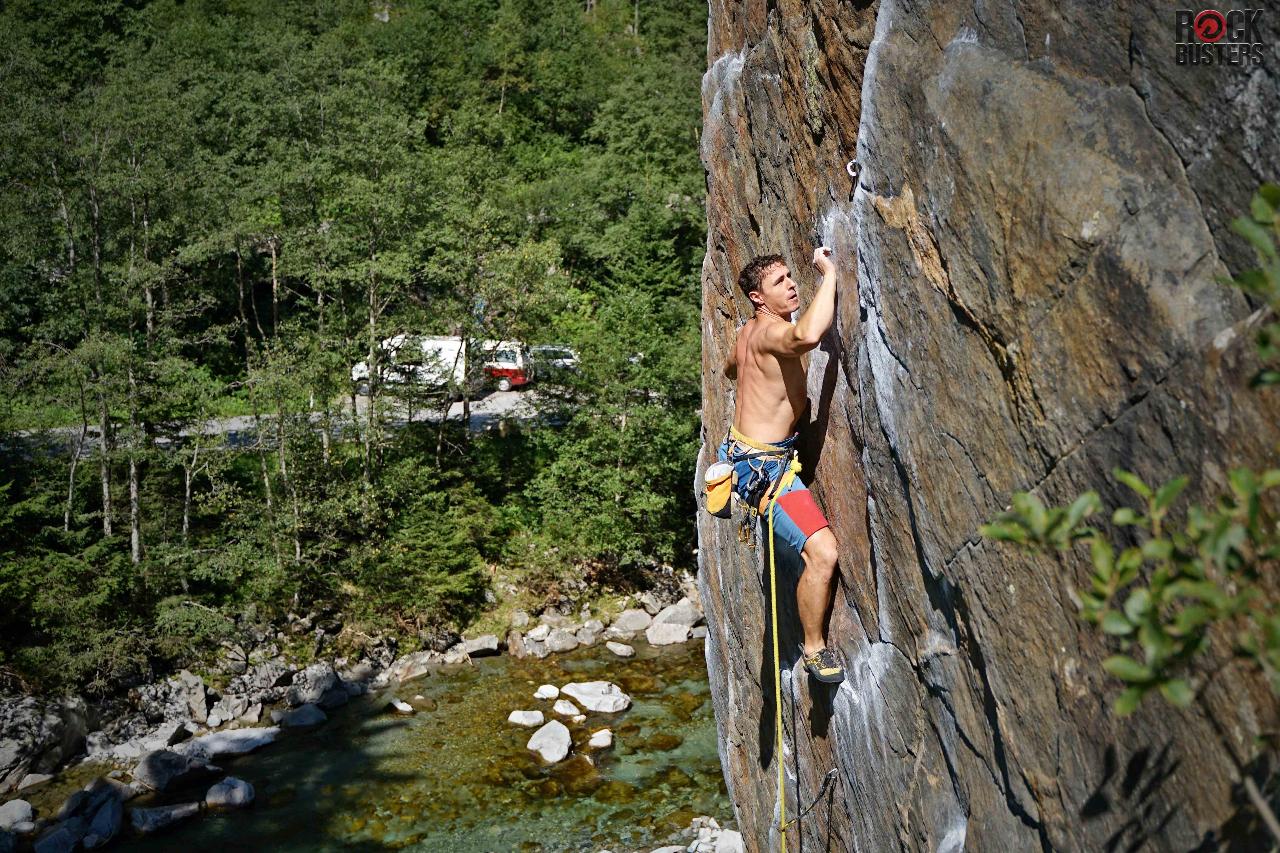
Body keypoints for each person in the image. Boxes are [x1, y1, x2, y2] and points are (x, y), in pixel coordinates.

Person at [718, 247, 844, 683]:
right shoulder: (772, 333)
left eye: (793, 277)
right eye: (780, 283)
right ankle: (814, 650)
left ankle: (728, 486)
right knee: (823, 552)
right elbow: (807, 337)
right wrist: (828, 274)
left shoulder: (745, 334)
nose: (792, 285)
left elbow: (730, 369)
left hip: (741, 452)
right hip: (767, 471)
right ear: (758, 297)